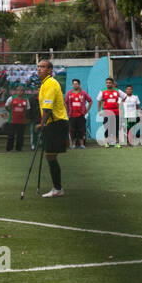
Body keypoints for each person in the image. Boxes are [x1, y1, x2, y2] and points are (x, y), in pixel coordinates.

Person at [36, 60, 68, 196]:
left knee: (50, 155)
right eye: (38, 67)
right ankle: (57, 187)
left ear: (50, 70)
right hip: (54, 123)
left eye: (42, 67)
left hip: (56, 123)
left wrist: (41, 124)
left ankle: (58, 188)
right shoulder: (45, 84)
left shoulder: (50, 83)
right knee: (50, 156)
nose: (39, 69)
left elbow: (47, 108)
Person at [63, 79, 92, 150]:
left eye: (76, 84)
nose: (75, 85)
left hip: (81, 115)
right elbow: (65, 102)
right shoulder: (69, 93)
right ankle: (73, 145)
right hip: (72, 115)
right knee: (72, 130)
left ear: (79, 85)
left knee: (81, 130)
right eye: (74, 84)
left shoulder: (83, 93)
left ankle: (82, 145)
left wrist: (86, 110)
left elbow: (90, 101)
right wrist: (67, 110)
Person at [98, 78, 123, 148]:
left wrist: (119, 103)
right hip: (106, 112)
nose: (108, 84)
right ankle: (107, 143)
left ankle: (117, 143)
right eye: (107, 83)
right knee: (107, 127)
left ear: (112, 84)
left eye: (109, 82)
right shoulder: (102, 91)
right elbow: (99, 100)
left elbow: (124, 97)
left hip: (116, 112)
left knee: (116, 127)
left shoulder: (118, 91)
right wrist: (99, 111)